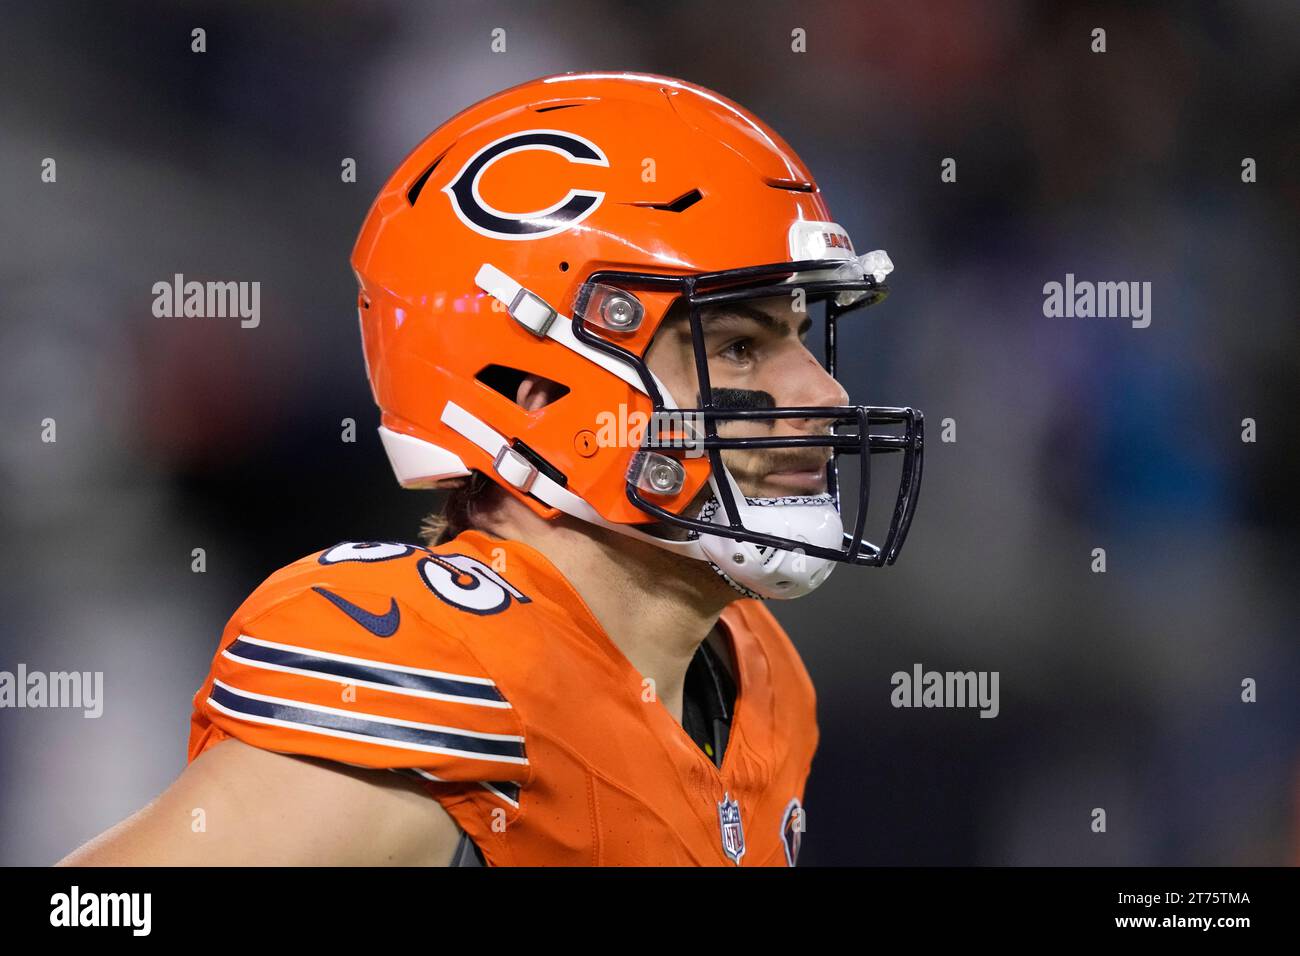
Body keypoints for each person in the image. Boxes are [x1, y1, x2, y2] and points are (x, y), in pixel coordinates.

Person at [57, 71, 923, 867]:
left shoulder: (752, 675)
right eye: (738, 346)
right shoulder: (454, 680)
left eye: (799, 336)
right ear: (535, 390)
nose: (826, 393)